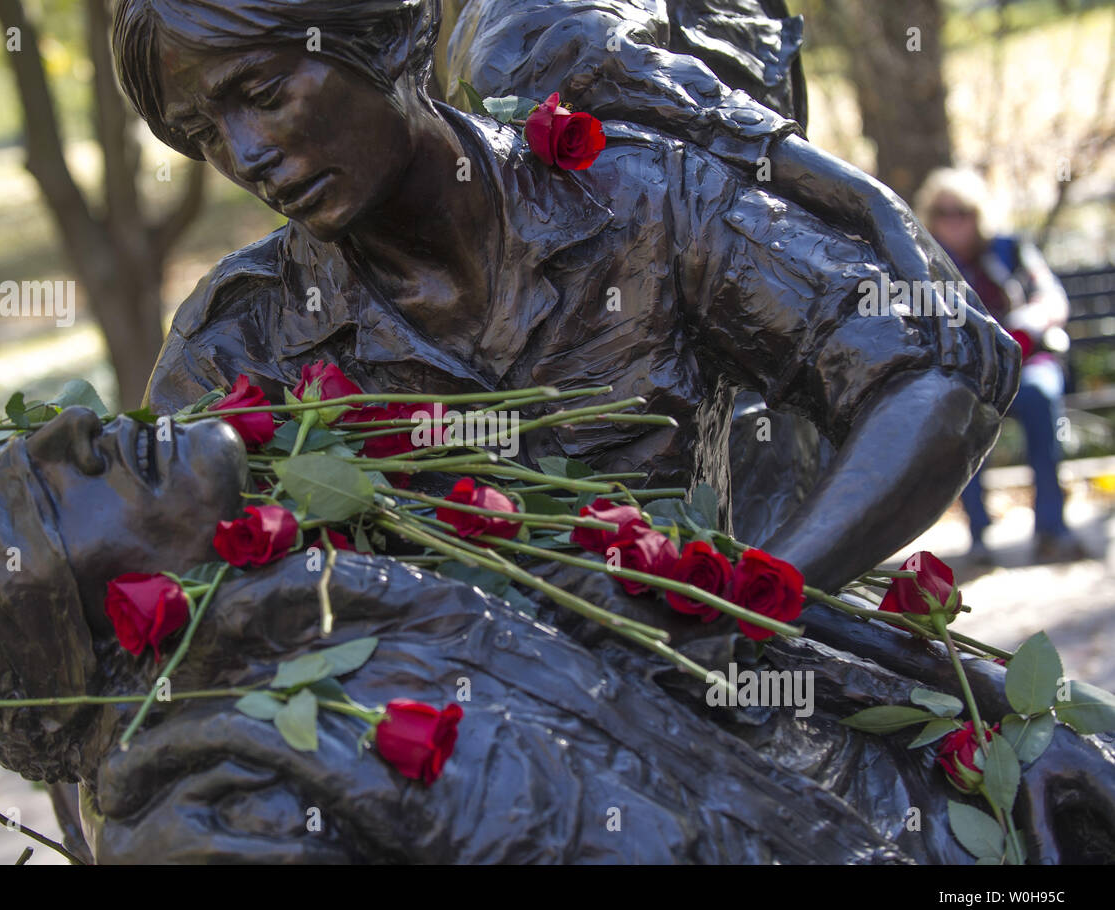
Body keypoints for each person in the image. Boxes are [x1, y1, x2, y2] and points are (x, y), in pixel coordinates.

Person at [0, 409, 1115, 863]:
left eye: (47, 434)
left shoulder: (334, 592)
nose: (81, 428)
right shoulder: (212, 820)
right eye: (47, 488)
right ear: (64, 627)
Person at [114, 0, 1019, 598]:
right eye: (202, 134)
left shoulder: (639, 199)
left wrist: (755, 600)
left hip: (721, 722)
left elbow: (931, 373)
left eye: (264, 94)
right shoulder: (235, 348)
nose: (246, 155)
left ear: (385, 37)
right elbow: (146, 606)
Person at [916, 168, 1086, 565]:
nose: (953, 221)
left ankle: (1051, 528)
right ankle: (979, 534)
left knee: (1043, 395)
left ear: (980, 214)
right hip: (966, 374)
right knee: (959, 408)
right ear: (931, 216)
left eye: (963, 212)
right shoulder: (924, 261)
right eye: (943, 212)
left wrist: (1029, 322)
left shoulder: (1011, 248)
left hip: (1025, 365)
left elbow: (1052, 299)